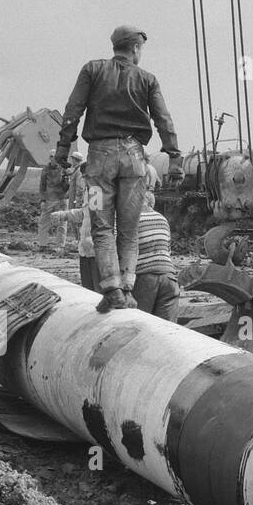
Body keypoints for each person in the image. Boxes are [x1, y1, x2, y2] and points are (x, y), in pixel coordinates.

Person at [55, 25, 182, 314]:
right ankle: (127, 287)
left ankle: (111, 288)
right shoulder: (147, 79)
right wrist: (174, 157)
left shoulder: (92, 70)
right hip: (135, 159)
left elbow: (72, 112)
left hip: (100, 159)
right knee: (129, 228)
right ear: (136, 48)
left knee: (102, 226)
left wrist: (63, 151)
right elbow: (164, 119)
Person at [132, 182, 181, 322]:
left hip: (145, 279)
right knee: (167, 330)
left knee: (141, 326)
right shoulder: (163, 219)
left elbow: (124, 253)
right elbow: (168, 250)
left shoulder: (131, 221)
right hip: (169, 277)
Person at [36, 156, 67, 241]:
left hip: (61, 199)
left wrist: (66, 179)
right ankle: (42, 244)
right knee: (43, 222)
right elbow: (42, 186)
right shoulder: (45, 170)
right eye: (52, 157)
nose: (54, 159)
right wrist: (42, 200)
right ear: (50, 158)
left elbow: (67, 187)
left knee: (62, 223)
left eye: (56, 158)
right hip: (49, 200)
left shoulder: (63, 169)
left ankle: (60, 245)